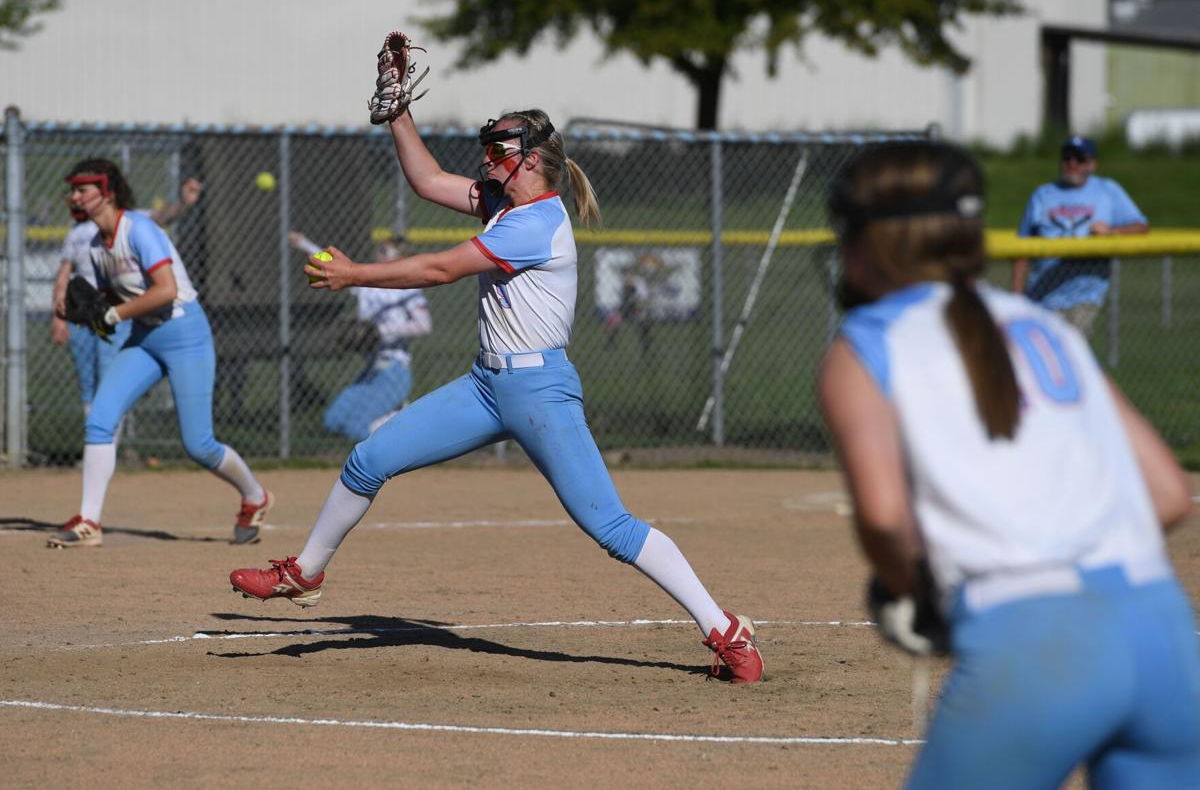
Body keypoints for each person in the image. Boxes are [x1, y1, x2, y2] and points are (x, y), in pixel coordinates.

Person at [230, 96, 763, 684]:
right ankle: (305, 572)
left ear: (530, 161)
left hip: (539, 391)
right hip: (486, 385)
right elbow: (427, 179)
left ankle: (724, 630)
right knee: (369, 457)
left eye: (497, 151)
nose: (486, 161)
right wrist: (400, 114)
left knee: (610, 527)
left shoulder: (536, 221)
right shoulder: (502, 203)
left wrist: (355, 275)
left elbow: (439, 269)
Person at [819, 142, 1199, 787]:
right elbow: (1168, 494)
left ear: (867, 245)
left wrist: (916, 591)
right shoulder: (1042, 324)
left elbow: (884, 518)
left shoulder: (866, 343)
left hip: (1035, 644)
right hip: (1163, 631)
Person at [48, 159, 273, 548]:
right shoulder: (94, 244)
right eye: (74, 189)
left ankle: (256, 497)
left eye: (85, 189)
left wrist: (112, 313)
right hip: (145, 337)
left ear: (109, 192)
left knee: (198, 445)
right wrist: (90, 309)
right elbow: (115, 298)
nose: (76, 196)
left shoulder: (140, 229)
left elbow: (166, 289)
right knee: (100, 419)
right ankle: (89, 521)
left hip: (185, 333)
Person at [51, 177, 204, 417]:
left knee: (109, 377)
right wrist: (59, 318)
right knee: (87, 382)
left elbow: (161, 218)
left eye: (83, 191)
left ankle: (106, 438)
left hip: (115, 310)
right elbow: (63, 276)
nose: (77, 198)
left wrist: (183, 202)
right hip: (83, 314)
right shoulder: (76, 233)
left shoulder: (127, 221)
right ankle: (97, 437)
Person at [288, 231, 432, 440]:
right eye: (380, 250)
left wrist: (382, 332)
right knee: (334, 420)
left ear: (401, 259)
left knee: (358, 428)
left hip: (394, 370)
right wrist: (304, 244)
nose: (380, 254)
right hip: (371, 369)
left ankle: (404, 421)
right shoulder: (369, 283)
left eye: (386, 251)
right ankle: (394, 417)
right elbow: (336, 268)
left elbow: (423, 325)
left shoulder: (408, 289)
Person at [1010, 135, 1149, 337]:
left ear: (1092, 164)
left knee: (1068, 351)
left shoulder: (1107, 190)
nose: (1071, 163)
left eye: (1079, 158)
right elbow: (1021, 250)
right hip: (1041, 295)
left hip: (1084, 295)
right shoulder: (1042, 195)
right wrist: (1017, 297)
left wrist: (1112, 233)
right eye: (1066, 157)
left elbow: (1141, 226)